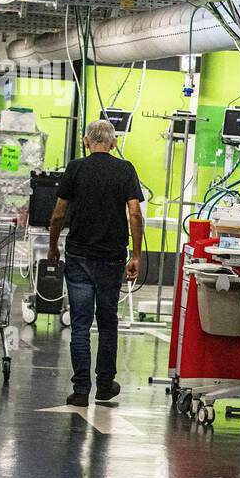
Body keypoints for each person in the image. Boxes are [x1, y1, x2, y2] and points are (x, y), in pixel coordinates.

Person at [47, 119, 144, 407]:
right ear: (114, 143)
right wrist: (136, 255)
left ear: (86, 141)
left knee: (80, 324)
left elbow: (58, 214)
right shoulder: (125, 169)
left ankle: (80, 390)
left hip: (78, 256)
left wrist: (53, 245)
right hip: (112, 257)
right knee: (107, 322)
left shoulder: (75, 168)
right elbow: (135, 214)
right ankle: (104, 385)